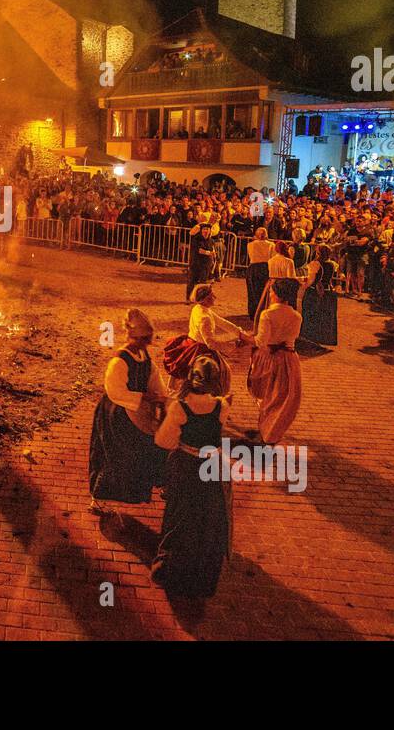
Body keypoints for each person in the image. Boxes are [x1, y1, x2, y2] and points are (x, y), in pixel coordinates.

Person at [151, 355, 231, 599]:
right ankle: (202, 577)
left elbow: (163, 441)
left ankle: (172, 571)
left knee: (181, 517)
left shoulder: (181, 407)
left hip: (187, 465)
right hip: (214, 468)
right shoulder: (221, 406)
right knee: (208, 520)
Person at [88, 308, 167, 511]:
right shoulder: (120, 360)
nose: (146, 343)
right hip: (117, 412)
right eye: (142, 339)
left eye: (147, 339)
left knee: (143, 452)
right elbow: (115, 391)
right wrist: (146, 397)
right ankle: (98, 499)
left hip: (137, 410)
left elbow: (153, 379)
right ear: (132, 336)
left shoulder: (143, 356)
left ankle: (141, 489)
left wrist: (162, 396)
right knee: (114, 456)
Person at [248, 277, 303, 444]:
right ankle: (271, 430)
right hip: (289, 359)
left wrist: (243, 337)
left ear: (277, 294)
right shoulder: (296, 316)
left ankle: (267, 432)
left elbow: (260, 341)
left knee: (266, 395)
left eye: (272, 291)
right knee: (281, 397)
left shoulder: (268, 314)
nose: (270, 293)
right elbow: (293, 337)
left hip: (270, 358)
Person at [244, 226, 273, 320]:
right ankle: (262, 312)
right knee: (264, 292)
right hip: (265, 268)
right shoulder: (271, 245)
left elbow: (250, 255)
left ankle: (253, 312)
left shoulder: (251, 244)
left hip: (254, 268)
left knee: (253, 291)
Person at [185, 222, 216, 302]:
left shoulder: (211, 241)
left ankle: (200, 299)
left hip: (205, 264)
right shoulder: (196, 239)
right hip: (195, 263)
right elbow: (200, 250)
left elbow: (213, 250)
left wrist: (213, 256)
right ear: (201, 230)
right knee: (192, 281)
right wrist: (209, 253)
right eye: (204, 229)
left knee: (203, 282)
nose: (206, 231)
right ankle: (188, 298)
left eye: (207, 229)